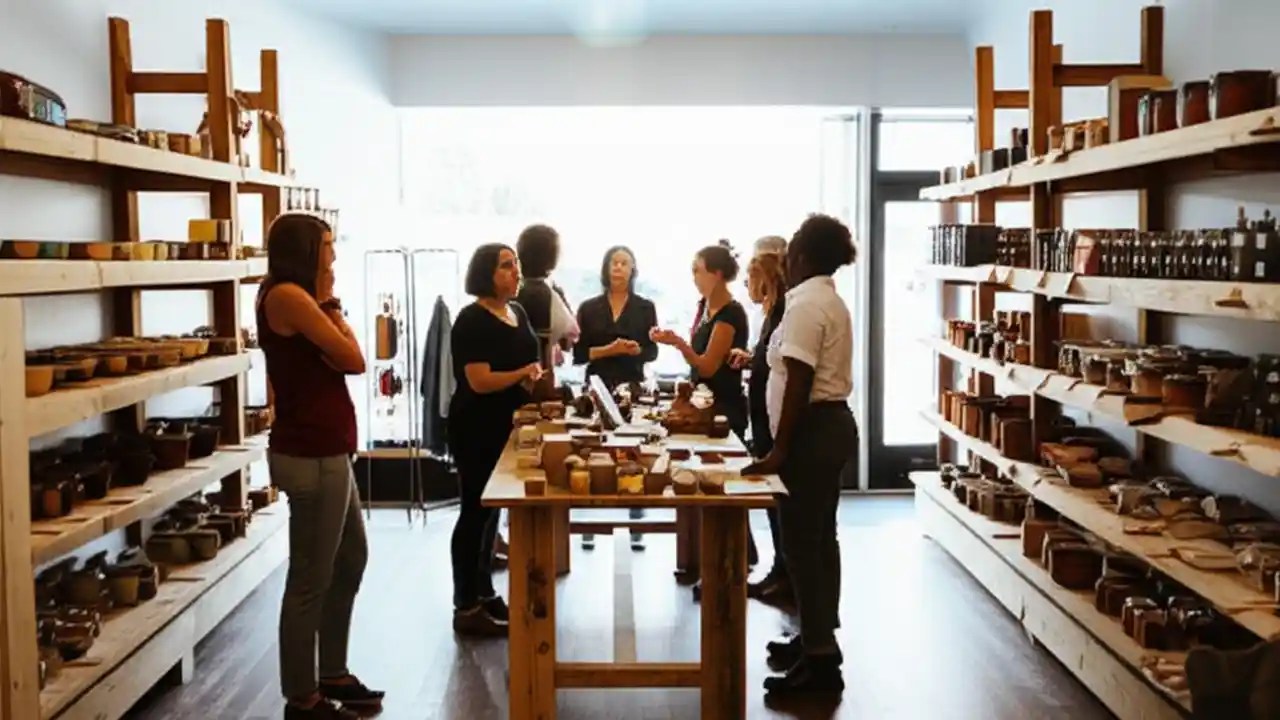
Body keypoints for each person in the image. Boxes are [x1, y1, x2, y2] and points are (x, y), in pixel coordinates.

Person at [256, 214, 382, 720]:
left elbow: (343, 356)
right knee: (310, 578)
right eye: (327, 245)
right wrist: (330, 305)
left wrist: (328, 307)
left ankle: (332, 671)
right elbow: (353, 359)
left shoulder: (301, 297)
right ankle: (302, 698)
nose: (333, 255)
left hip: (329, 450)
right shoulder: (288, 296)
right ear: (306, 250)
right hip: (310, 455)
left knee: (350, 558)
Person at [744, 214, 857, 696]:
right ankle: (815, 640)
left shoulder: (808, 303)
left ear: (805, 255)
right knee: (818, 541)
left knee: (803, 546)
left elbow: (799, 381)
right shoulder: (821, 298)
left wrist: (779, 450)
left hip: (812, 433)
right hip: (824, 429)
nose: (786, 256)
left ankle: (820, 660)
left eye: (792, 247)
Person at [652, 241, 758, 593]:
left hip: (723, 409)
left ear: (716, 273)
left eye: (698, 270)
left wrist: (678, 344)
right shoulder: (705, 308)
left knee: (721, 486)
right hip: (704, 404)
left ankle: (732, 564)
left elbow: (709, 365)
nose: (694, 277)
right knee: (701, 481)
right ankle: (706, 560)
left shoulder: (730, 314)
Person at [448, 243, 542, 638]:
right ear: (485, 273)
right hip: (476, 425)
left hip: (508, 424)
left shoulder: (516, 312)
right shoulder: (471, 320)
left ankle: (484, 591)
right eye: (506, 266)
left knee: (492, 515)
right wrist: (523, 372)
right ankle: (465, 603)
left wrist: (532, 377)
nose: (515, 272)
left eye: (515, 264)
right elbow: (479, 380)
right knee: (474, 511)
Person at [574, 245, 658, 550]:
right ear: (606, 269)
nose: (619, 268)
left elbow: (653, 350)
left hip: (632, 385)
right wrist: (611, 349)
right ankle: (586, 521)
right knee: (591, 451)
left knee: (632, 452)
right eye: (614, 263)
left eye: (625, 263)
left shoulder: (645, 307)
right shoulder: (588, 307)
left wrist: (636, 350)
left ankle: (637, 519)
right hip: (596, 386)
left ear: (633, 269)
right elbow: (579, 354)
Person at [728, 243, 793, 606]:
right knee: (773, 503)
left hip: (772, 421)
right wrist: (752, 359)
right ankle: (779, 571)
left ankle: (785, 575)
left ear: (764, 279)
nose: (746, 288)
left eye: (749, 280)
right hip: (763, 417)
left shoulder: (784, 313)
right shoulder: (772, 313)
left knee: (779, 501)